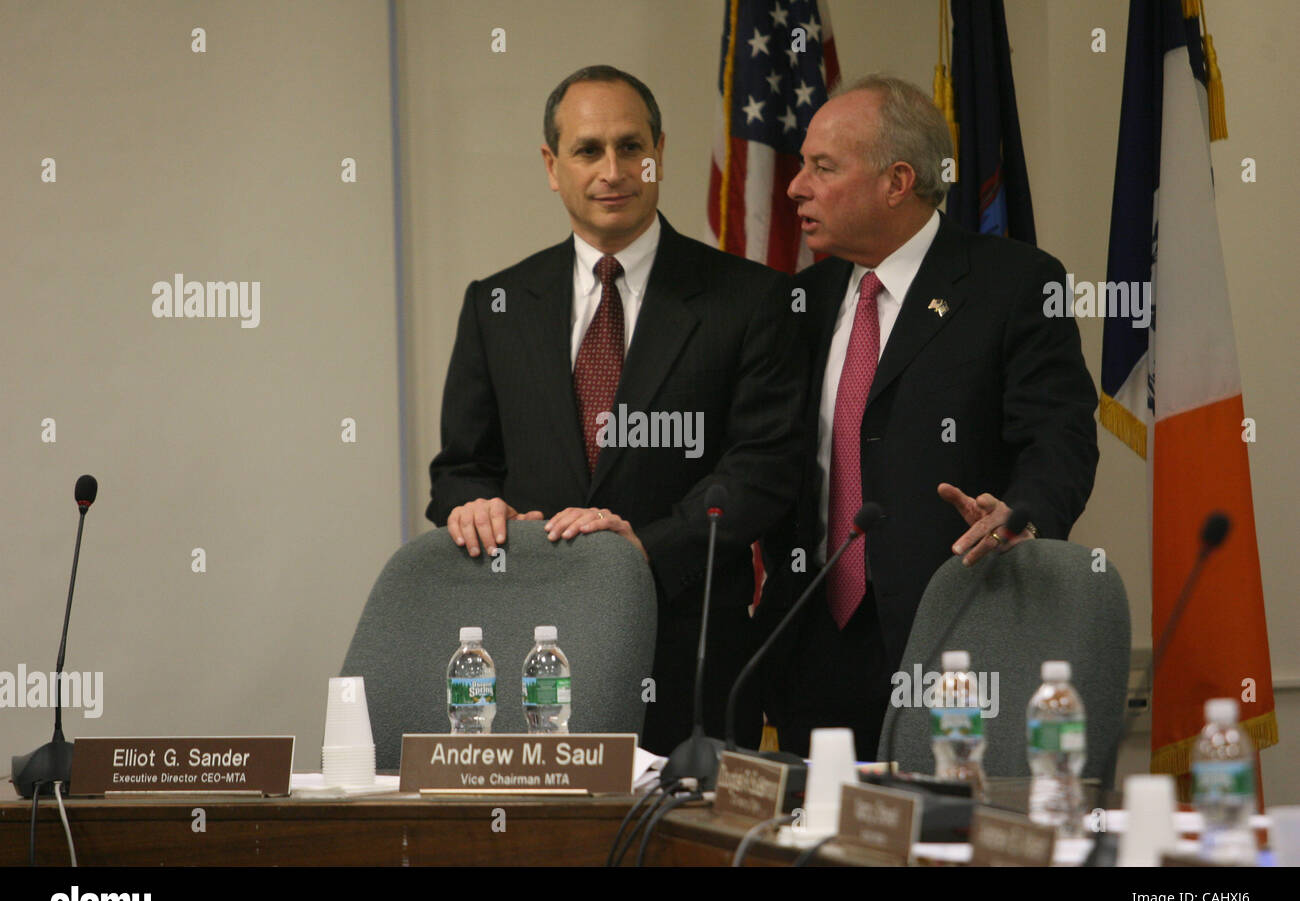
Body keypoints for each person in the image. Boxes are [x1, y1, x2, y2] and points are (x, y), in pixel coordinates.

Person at [427, 65, 804, 754]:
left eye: (632, 146)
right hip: (530, 652)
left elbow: (764, 469)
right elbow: (460, 469)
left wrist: (642, 550)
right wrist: (474, 505)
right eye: (588, 149)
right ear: (551, 165)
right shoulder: (497, 304)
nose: (613, 169)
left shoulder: (750, 300)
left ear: (660, 149)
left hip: (689, 648)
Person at [760, 75, 1098, 760]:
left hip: (955, 630)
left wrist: (1022, 512)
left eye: (822, 168)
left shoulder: (1014, 284)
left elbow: (1058, 435)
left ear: (898, 181)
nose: (796, 187)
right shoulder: (799, 300)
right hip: (812, 642)